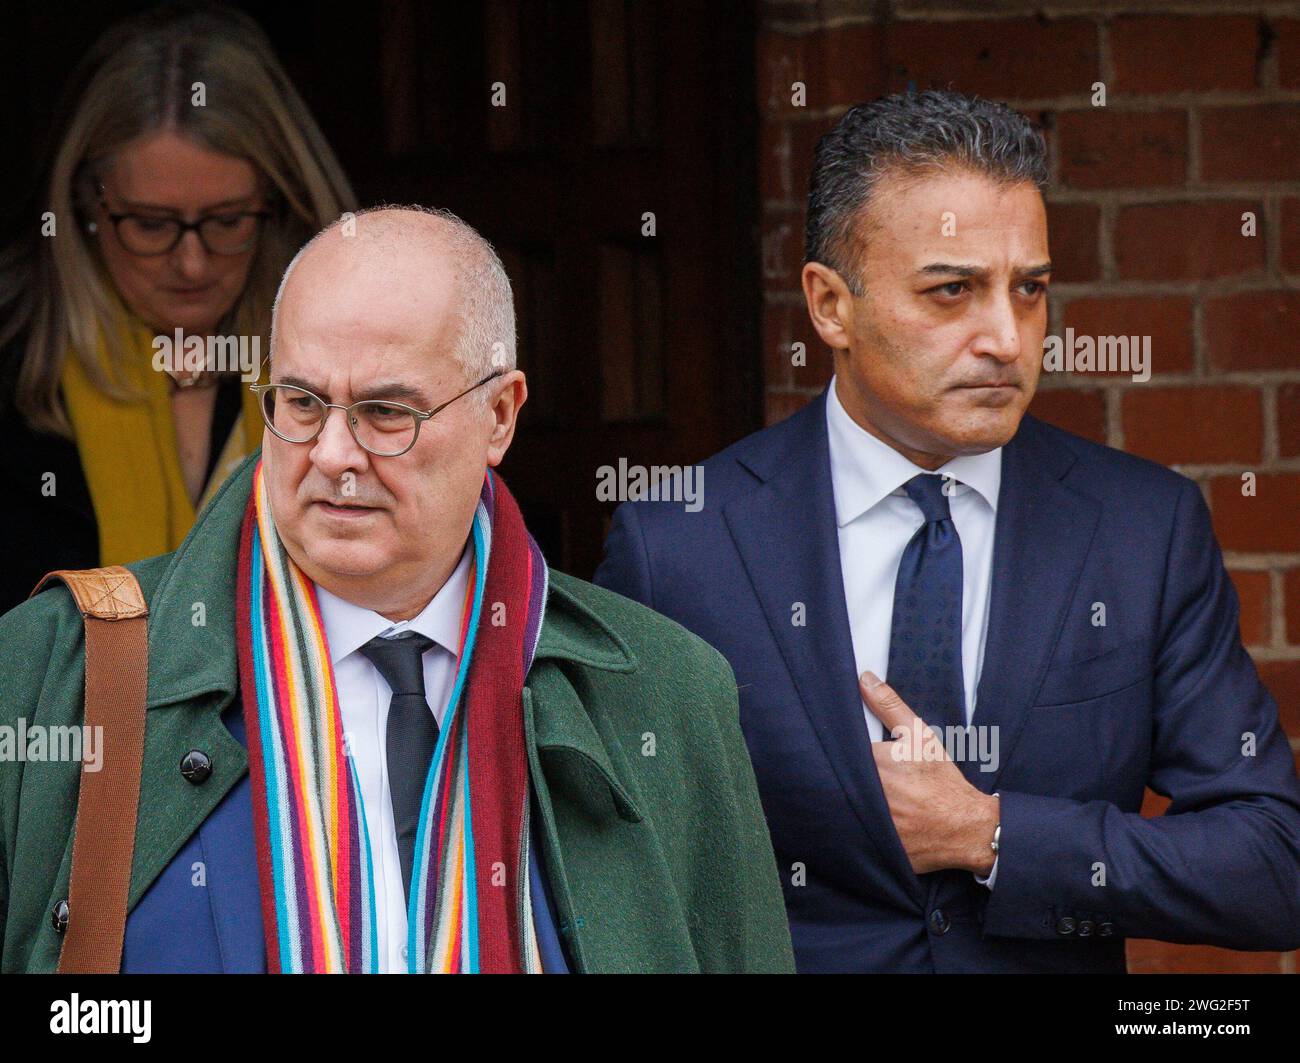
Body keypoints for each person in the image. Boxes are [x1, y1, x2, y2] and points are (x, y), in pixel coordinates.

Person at [595, 89, 1300, 973]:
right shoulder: (679, 545)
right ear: (830, 305)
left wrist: (993, 834)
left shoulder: (1142, 530)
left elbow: (1273, 862)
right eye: (952, 290)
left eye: (1029, 289)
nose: (1007, 337)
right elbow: (609, 878)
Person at [0, 205, 794, 974]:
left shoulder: (667, 693)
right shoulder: (55, 669)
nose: (333, 454)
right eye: (301, 403)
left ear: (499, 415)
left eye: (384, 412)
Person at [0, 2, 355, 614]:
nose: (192, 264)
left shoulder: (349, 361)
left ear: (278, 206)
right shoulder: (14, 369)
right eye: (150, 224)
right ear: (83, 206)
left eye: (228, 221)